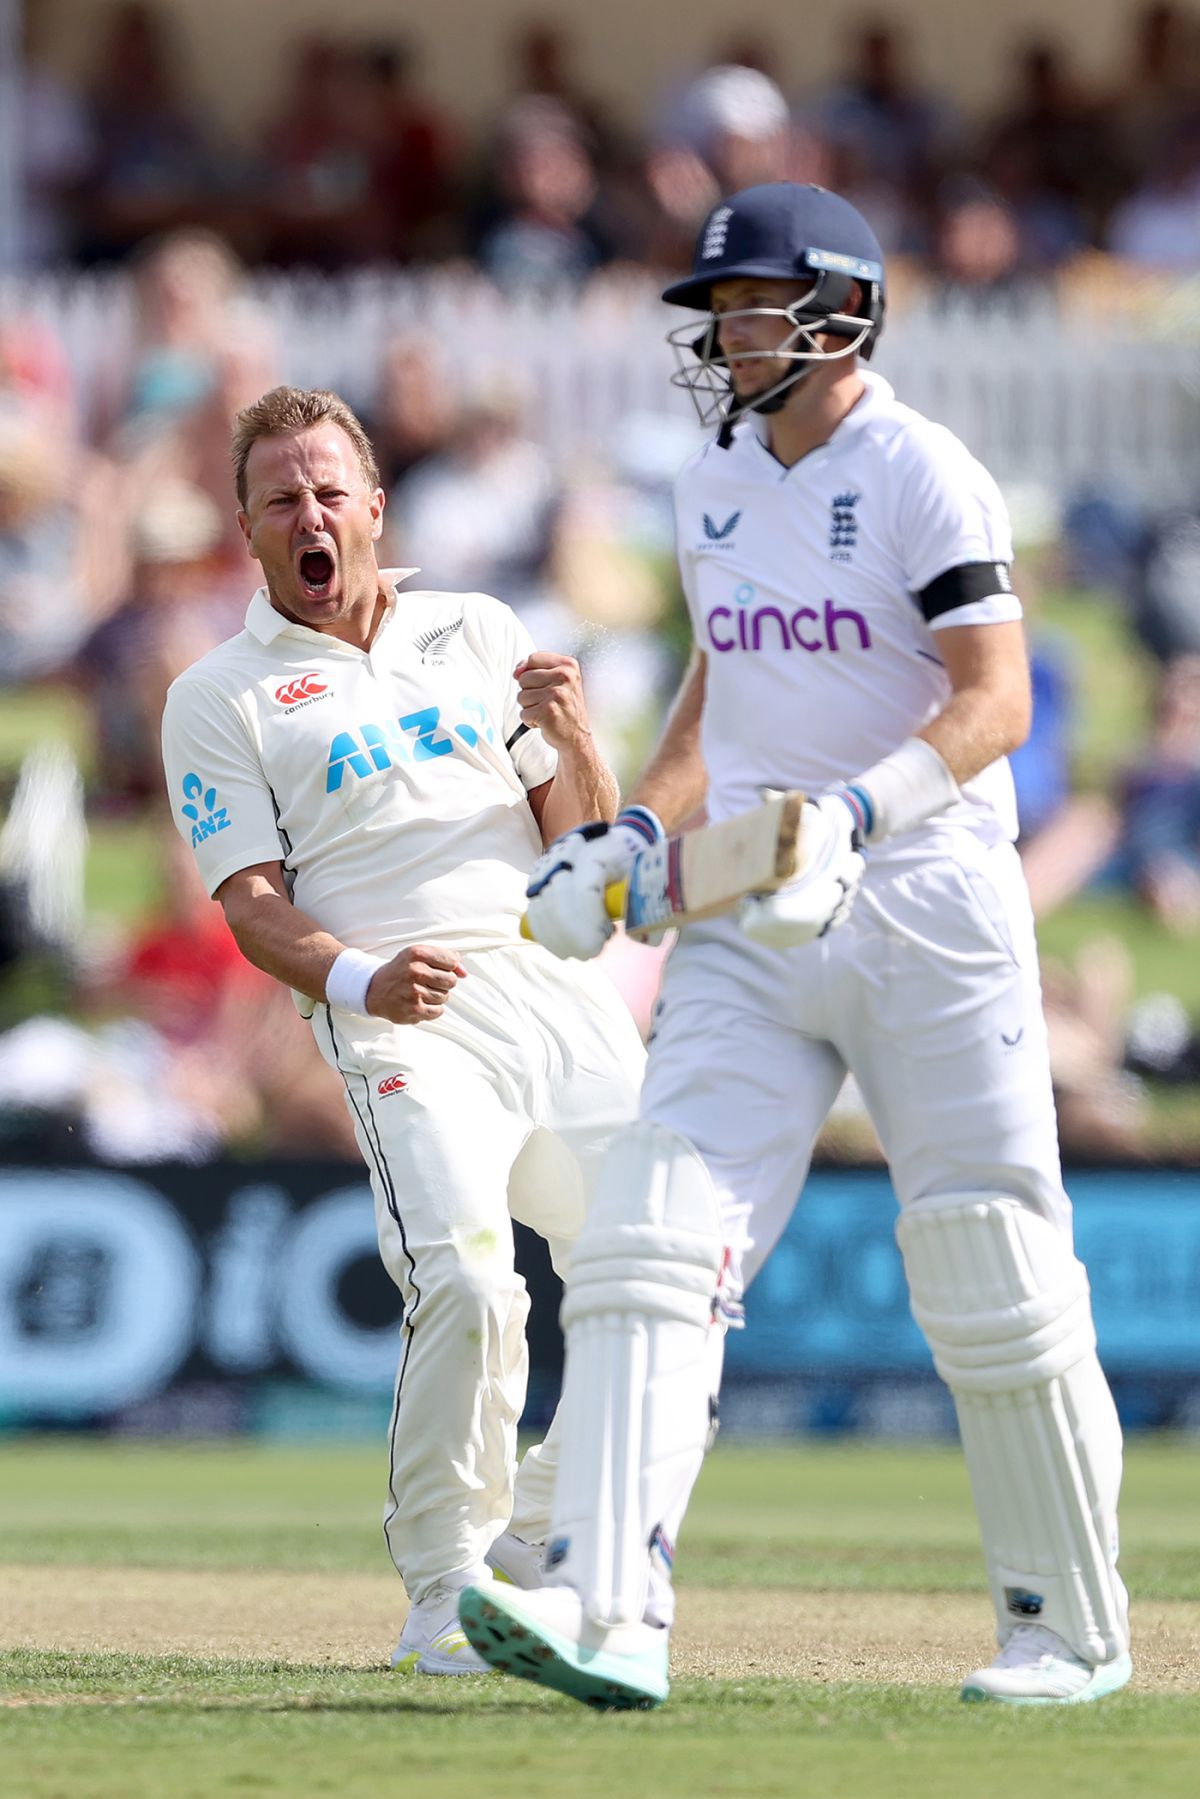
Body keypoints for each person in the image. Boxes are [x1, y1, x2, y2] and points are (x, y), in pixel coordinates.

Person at [456, 183, 1132, 1710]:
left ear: (843, 313)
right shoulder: (712, 478)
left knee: (988, 1252)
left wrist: (856, 812)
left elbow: (998, 702)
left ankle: (1068, 1632)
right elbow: (725, 685)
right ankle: (608, 1606)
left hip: (927, 904)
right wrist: (634, 834)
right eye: (717, 311)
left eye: (755, 306)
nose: (729, 336)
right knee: (652, 1226)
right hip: (748, 909)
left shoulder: (923, 472)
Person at [159, 385, 644, 1674]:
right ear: (248, 530)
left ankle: (537, 1535)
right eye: (281, 500)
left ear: (375, 507)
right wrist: (365, 980)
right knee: (472, 1281)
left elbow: (585, 852)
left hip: (552, 988)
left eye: (329, 492)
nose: (309, 516)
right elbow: (252, 907)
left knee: (667, 1269)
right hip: (403, 1014)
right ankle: (445, 1590)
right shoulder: (219, 693)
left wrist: (575, 738)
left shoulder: (476, 628)